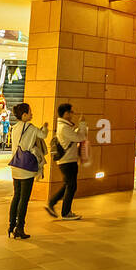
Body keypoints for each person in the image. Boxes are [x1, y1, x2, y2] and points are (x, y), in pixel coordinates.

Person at [7, 102, 47, 239]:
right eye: (30, 112)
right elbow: (43, 135)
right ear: (24, 115)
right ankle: (20, 228)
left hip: (15, 166)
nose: (32, 114)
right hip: (26, 168)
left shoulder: (14, 127)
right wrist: (45, 128)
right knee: (24, 199)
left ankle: (11, 225)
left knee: (16, 196)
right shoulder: (30, 127)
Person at [46, 102, 87, 219]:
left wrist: (79, 127)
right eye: (71, 112)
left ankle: (52, 203)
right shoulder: (64, 127)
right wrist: (82, 124)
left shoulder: (65, 126)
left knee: (68, 185)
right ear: (65, 113)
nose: (72, 114)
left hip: (69, 160)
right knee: (71, 186)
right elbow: (80, 137)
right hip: (67, 161)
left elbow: (75, 136)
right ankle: (66, 213)